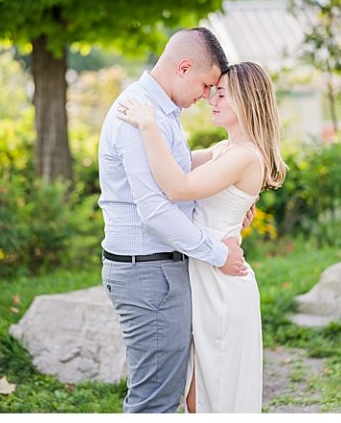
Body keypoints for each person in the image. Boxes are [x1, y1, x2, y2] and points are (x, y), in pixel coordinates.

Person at [116, 61, 287, 413]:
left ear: (246, 101)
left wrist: (148, 126)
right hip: (206, 273)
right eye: (212, 92)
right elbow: (172, 165)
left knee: (216, 396)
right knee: (198, 396)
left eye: (221, 94)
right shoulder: (224, 149)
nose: (212, 99)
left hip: (222, 286)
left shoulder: (244, 156)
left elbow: (178, 187)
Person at [98, 27, 249, 413]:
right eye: (205, 85)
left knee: (168, 395)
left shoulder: (161, 113)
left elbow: (179, 169)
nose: (206, 97)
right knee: (156, 403)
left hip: (161, 272)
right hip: (149, 275)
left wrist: (233, 182)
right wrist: (219, 254)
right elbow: (156, 210)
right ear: (184, 67)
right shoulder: (137, 116)